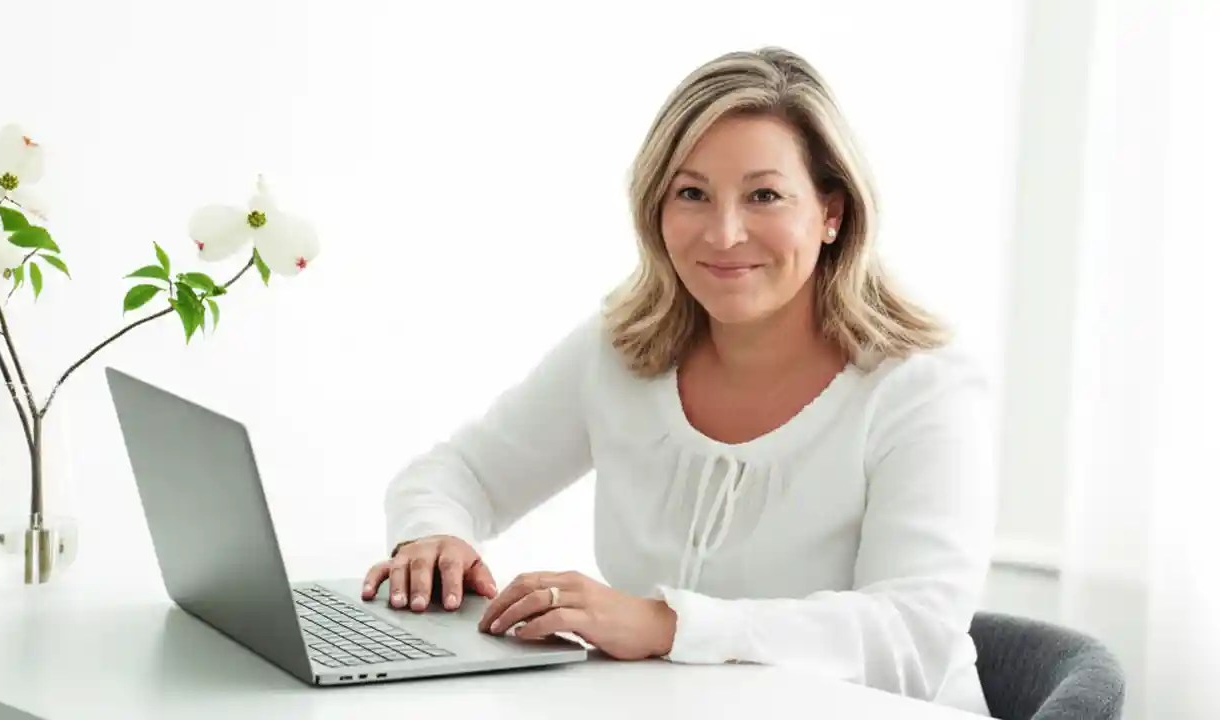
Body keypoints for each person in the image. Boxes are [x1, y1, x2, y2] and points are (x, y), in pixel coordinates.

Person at [362, 46, 996, 715]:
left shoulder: (923, 387)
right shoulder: (623, 349)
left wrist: (669, 625)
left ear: (831, 212)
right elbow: (455, 474)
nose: (723, 234)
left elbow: (913, 634)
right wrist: (432, 537)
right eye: (692, 194)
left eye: (764, 195)